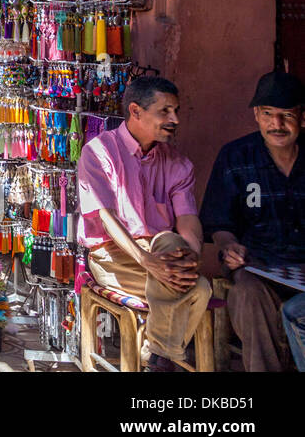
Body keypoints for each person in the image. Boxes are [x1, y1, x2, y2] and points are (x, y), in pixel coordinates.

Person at [77, 76, 212, 371]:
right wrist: (146, 260)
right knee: (198, 290)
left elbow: (187, 218)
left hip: (161, 252)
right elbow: (106, 217)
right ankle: (162, 356)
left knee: (175, 250)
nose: (174, 119)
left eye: (176, 111)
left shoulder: (178, 163)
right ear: (136, 111)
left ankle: (156, 355)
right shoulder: (98, 153)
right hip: (113, 255)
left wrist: (191, 256)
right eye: (165, 111)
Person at [200, 71, 305, 371]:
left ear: (302, 116)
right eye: (268, 114)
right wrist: (229, 246)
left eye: (286, 115)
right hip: (257, 266)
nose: (277, 124)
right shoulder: (235, 156)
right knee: (249, 295)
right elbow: (218, 221)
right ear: (257, 115)